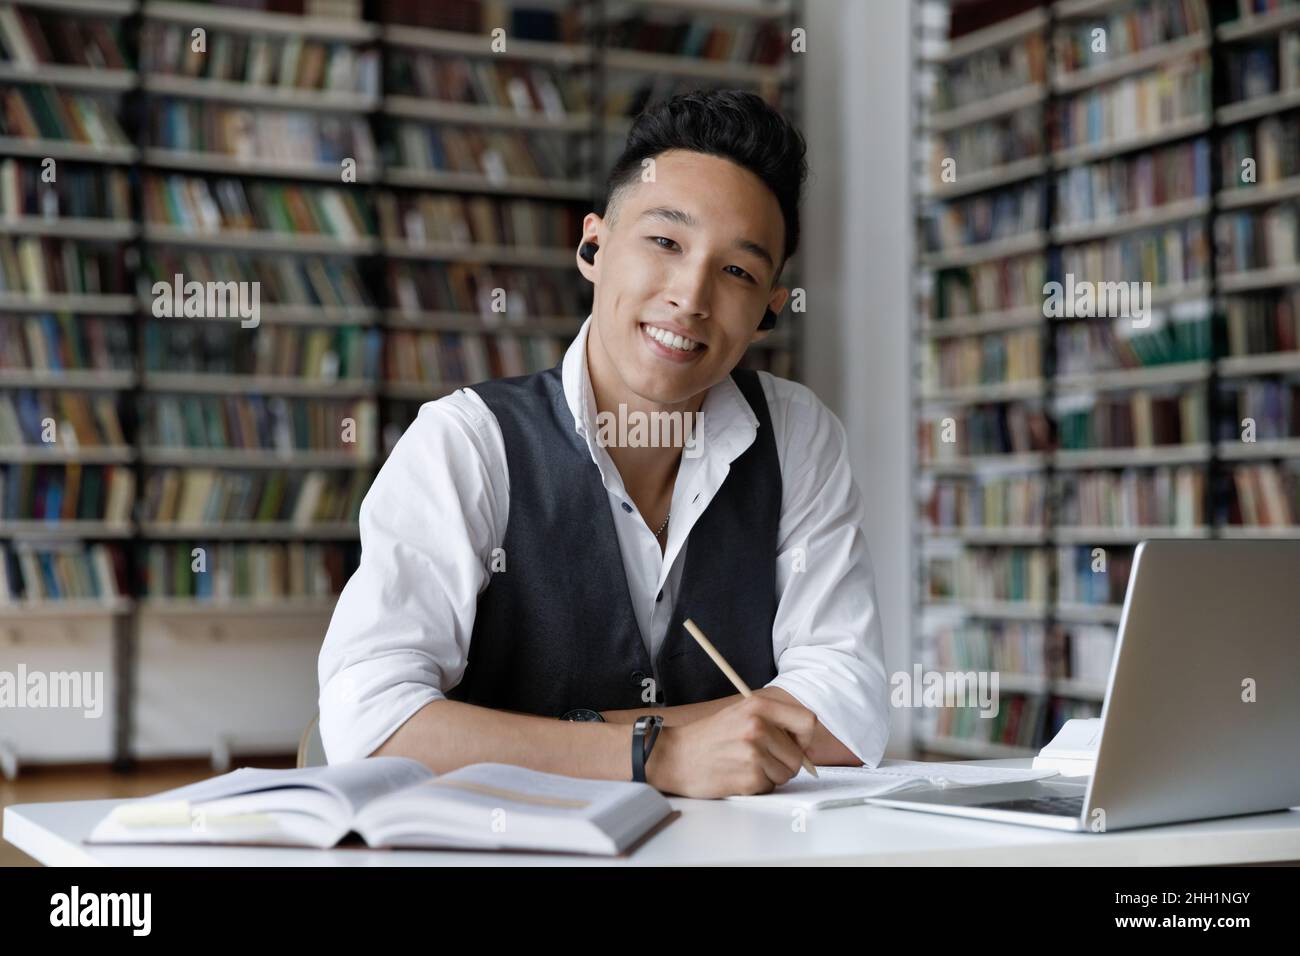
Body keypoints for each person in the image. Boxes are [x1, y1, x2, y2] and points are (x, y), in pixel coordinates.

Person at [318, 89, 890, 798]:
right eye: (665, 242)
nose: (691, 295)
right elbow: (371, 725)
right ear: (593, 245)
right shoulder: (466, 444)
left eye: (737, 271)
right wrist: (655, 755)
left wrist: (556, 730)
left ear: (771, 307)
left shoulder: (798, 436)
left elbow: (848, 708)